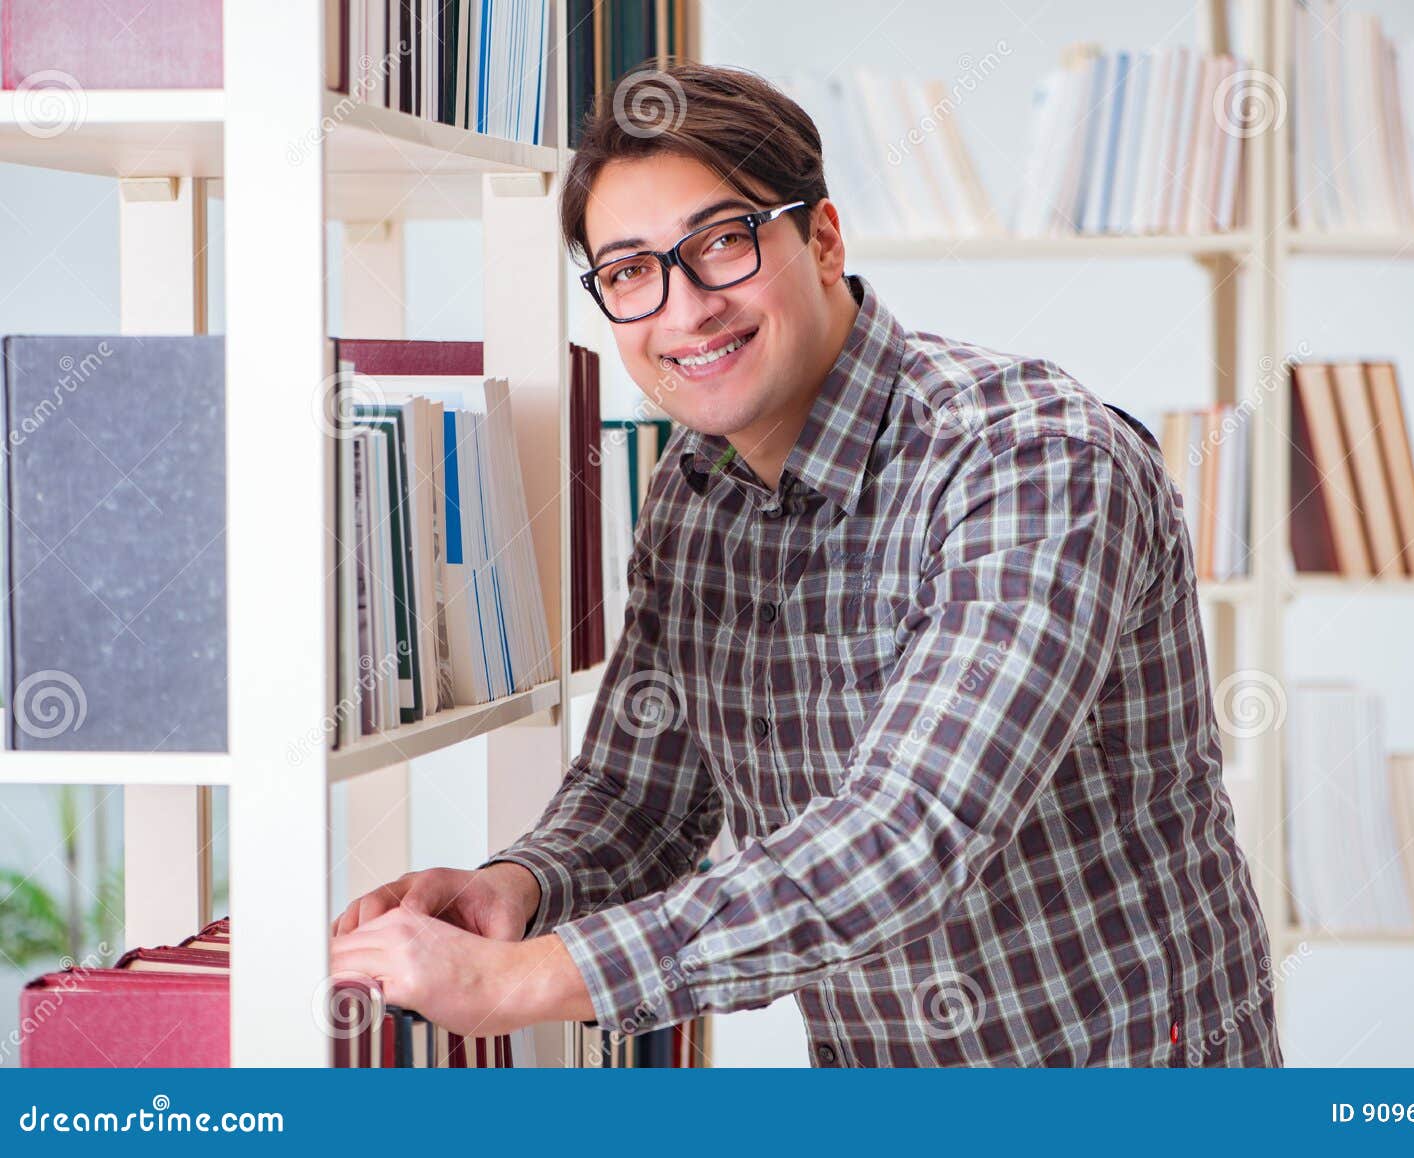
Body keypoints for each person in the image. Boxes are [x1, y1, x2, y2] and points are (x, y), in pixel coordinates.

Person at [331, 62, 1282, 1067]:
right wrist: (517, 890)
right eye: (629, 272)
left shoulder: (1031, 461)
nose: (684, 309)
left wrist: (529, 978)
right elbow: (642, 797)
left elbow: (908, 835)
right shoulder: (695, 490)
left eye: (721, 244)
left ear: (822, 238)